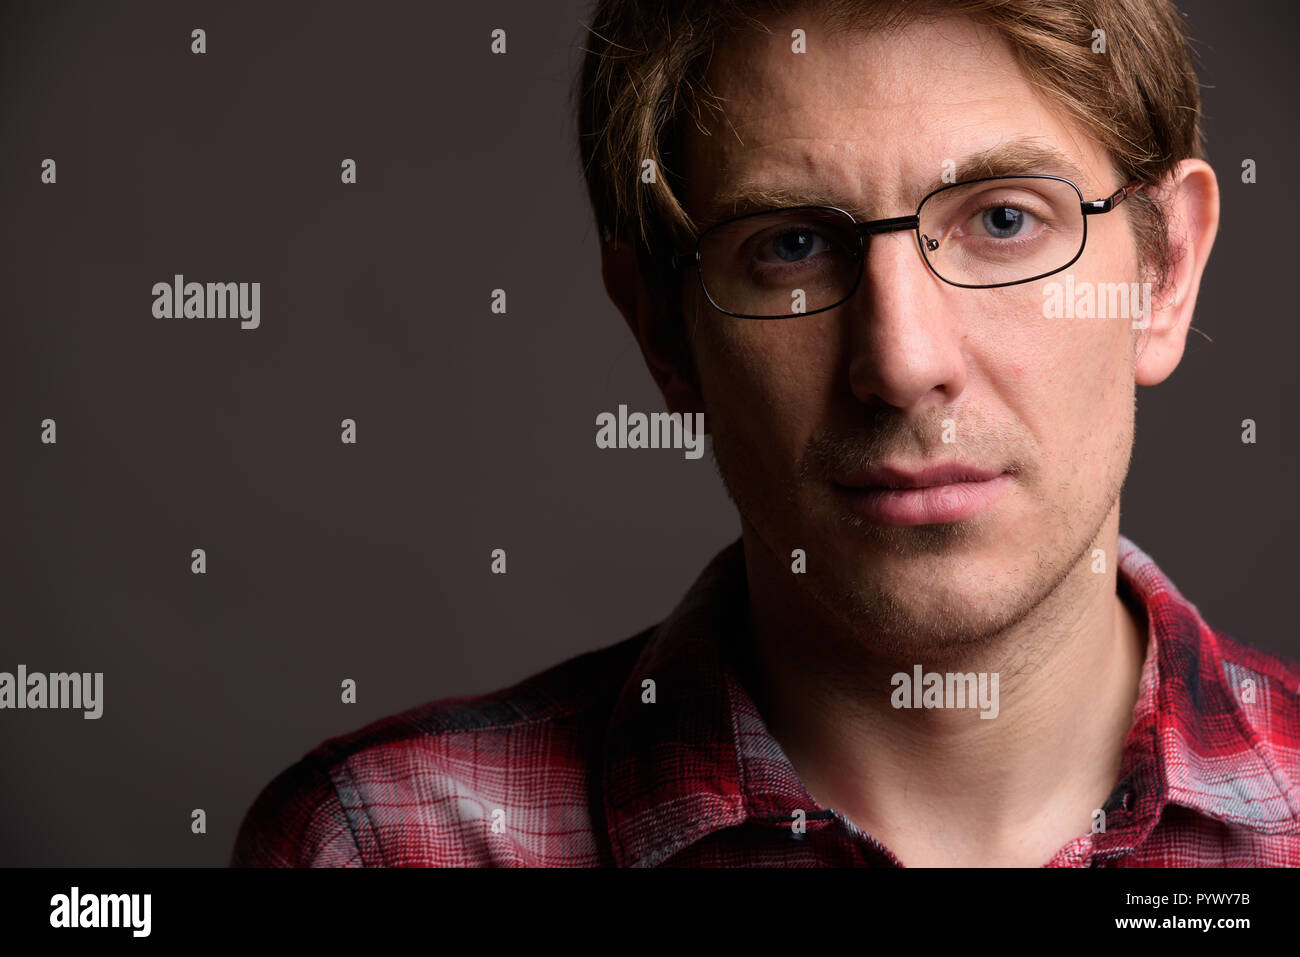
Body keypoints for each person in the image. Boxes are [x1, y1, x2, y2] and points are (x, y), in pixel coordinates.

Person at [231, 0, 1300, 867]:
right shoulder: (384, 847)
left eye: (1003, 219)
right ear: (662, 329)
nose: (900, 360)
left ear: (1162, 277)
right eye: (790, 245)